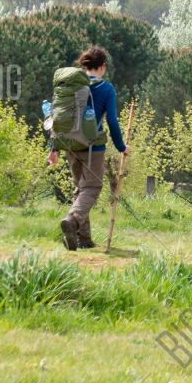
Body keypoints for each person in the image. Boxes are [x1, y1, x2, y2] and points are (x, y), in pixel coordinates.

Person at [47, 46, 129, 251]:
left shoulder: (71, 87)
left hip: (69, 145)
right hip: (93, 147)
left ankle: (82, 239)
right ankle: (72, 220)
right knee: (92, 188)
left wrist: (53, 148)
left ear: (83, 66)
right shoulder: (106, 89)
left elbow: (57, 117)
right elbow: (111, 120)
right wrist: (121, 146)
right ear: (102, 67)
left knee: (80, 190)